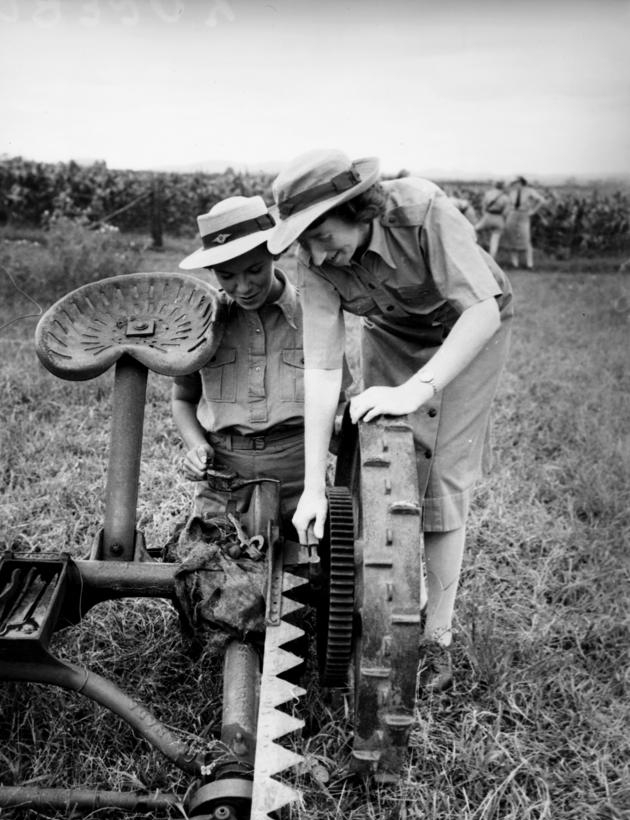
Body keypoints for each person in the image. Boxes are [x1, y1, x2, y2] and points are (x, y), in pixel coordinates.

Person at [267, 149, 514, 691]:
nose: (314, 252)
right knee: (378, 467)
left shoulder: (423, 211)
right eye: (302, 240)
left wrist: (418, 389)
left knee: (439, 479)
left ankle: (437, 636)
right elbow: (323, 368)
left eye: (321, 233)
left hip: (468, 331)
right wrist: (312, 489)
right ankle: (393, 601)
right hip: (392, 335)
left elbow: (483, 310)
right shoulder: (316, 261)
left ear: (357, 208)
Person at [173, 195, 305, 526]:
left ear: (275, 253)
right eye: (227, 275)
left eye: (255, 270)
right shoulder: (201, 322)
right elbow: (182, 398)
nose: (243, 287)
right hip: (223, 481)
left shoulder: (313, 315)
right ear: (211, 270)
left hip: (298, 479)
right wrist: (195, 448)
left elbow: (336, 403)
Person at [500, 175, 546, 269]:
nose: (514, 185)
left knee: (526, 239)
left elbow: (541, 200)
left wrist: (533, 211)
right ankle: (514, 264)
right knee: (511, 239)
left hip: (524, 215)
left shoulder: (529, 191)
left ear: (521, 183)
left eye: (516, 183)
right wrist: (504, 215)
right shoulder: (512, 192)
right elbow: (509, 205)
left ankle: (529, 264)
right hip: (512, 215)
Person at [475, 179, 510, 260]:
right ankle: (492, 259)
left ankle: (477, 251)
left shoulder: (488, 194)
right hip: (499, 218)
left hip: (488, 215)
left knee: (475, 230)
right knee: (495, 241)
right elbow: (506, 212)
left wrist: (485, 216)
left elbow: (483, 207)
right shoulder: (505, 197)